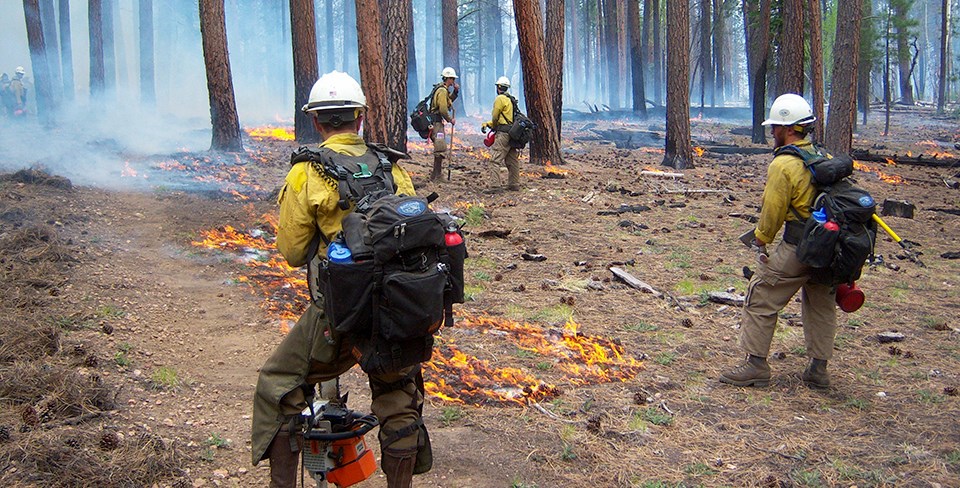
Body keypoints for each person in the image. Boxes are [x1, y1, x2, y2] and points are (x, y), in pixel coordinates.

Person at [251, 71, 426, 488]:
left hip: (340, 312)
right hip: (398, 308)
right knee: (397, 395)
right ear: (360, 117)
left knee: (279, 382)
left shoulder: (307, 173)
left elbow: (293, 253)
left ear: (317, 121)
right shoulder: (392, 168)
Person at [719, 93, 837, 390]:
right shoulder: (823, 157)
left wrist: (761, 239)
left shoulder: (783, 164)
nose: (772, 132)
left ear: (789, 129)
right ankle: (818, 370)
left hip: (800, 246)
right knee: (821, 303)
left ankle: (756, 365)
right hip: (830, 247)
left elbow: (773, 211)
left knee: (761, 297)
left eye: (775, 127)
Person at [481, 76, 521, 193]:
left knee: (495, 160)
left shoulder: (500, 99)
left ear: (498, 87)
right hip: (512, 133)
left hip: (503, 134)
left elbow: (495, 117)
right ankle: (514, 184)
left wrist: (492, 125)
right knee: (512, 160)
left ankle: (495, 186)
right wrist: (489, 124)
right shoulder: (510, 99)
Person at [428, 67, 459, 180]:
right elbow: (443, 109)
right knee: (440, 147)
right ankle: (437, 175)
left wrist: (455, 92)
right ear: (447, 78)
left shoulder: (443, 90)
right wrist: (450, 119)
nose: (453, 81)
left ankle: (436, 174)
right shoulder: (442, 91)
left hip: (437, 122)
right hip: (436, 123)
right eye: (452, 79)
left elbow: (448, 101)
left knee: (439, 147)